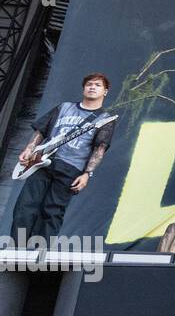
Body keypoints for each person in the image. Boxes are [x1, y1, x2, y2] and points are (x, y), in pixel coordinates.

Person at [11, 73, 116, 243]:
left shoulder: (105, 119)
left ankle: (39, 253)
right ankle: (15, 247)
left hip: (71, 168)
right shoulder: (64, 107)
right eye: (89, 84)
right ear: (83, 88)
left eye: (97, 85)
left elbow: (100, 148)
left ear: (105, 91)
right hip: (41, 163)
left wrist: (87, 174)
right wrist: (29, 149)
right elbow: (41, 130)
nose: (92, 87)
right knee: (25, 206)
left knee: (52, 211)